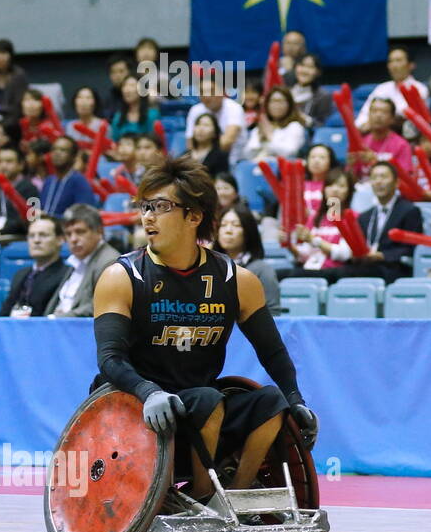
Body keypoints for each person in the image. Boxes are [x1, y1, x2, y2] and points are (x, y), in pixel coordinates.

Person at [92, 156, 318, 506]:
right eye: (144, 206)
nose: (148, 216)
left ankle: (232, 498)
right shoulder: (122, 276)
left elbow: (272, 352)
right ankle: (200, 493)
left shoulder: (236, 280)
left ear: (194, 216)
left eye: (161, 206)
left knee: (271, 401)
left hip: (202, 411)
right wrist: (148, 391)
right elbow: (109, 359)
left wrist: (296, 399)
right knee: (207, 399)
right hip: (135, 405)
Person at [338, 160, 425, 283]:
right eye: (374, 178)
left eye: (383, 177)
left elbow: (412, 247)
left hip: (393, 267)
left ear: (396, 183)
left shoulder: (409, 211)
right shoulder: (364, 216)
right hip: (365, 266)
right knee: (337, 272)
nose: (378, 181)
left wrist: (382, 256)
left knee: (342, 274)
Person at [45, 203, 119, 317]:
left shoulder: (109, 262)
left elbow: (102, 306)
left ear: (99, 231)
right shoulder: (75, 261)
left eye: (80, 232)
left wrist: (57, 319)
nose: (73, 239)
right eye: (68, 234)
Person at [216, 203, 282, 310]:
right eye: (223, 225)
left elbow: (273, 311)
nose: (228, 230)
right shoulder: (208, 267)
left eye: (236, 225)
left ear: (248, 231)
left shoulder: (262, 270)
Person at [0, 214, 67, 317]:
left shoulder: (67, 275)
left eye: (43, 235)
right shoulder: (20, 275)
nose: (36, 240)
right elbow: (3, 315)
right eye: (31, 236)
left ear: (60, 239)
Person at [185, 73, 246, 166]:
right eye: (202, 92)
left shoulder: (234, 108)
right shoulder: (195, 110)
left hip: (233, 162)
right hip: (200, 161)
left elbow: (226, 143)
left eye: (211, 91)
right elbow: (190, 144)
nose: (206, 96)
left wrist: (203, 152)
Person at [351, 97, 414, 179]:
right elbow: (352, 179)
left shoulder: (402, 145)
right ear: (368, 115)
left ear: (392, 119)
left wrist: (375, 161)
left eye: (384, 112)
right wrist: (351, 165)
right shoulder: (361, 143)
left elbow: (405, 179)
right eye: (374, 111)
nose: (378, 115)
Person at [0, 145, 39, 239]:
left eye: (9, 161)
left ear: (21, 165)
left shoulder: (31, 189)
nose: (3, 165)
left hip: (19, 238)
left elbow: (31, 219)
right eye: (0, 161)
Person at [244, 87, 309, 163]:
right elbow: (248, 154)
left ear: (289, 104)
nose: (276, 105)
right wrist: (260, 138)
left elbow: (290, 153)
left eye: (280, 101)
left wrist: (270, 135)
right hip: (257, 167)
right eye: (273, 101)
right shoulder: (262, 127)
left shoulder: (294, 126)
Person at [38, 136, 99, 215]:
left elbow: (84, 216)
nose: (57, 153)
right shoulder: (49, 180)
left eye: (63, 150)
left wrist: (50, 218)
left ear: (73, 157)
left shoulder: (78, 181)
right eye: (54, 149)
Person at [0, 38, 29, 119]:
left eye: (3, 53)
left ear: (10, 56)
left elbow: (19, 107)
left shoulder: (18, 75)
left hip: (13, 118)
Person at [288, 54, 335, 125]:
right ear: (295, 67)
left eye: (310, 67)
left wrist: (305, 119)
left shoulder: (323, 96)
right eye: (302, 65)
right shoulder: (286, 91)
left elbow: (323, 125)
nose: (305, 70)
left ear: (318, 72)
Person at [110, 76, 159, 141]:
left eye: (132, 85)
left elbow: (156, 142)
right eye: (124, 86)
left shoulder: (152, 115)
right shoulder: (118, 116)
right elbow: (114, 142)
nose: (126, 90)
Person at [182, 112, 231, 176]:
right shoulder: (184, 156)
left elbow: (222, 182)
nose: (200, 129)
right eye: (198, 124)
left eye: (206, 125)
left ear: (215, 133)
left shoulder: (221, 156)